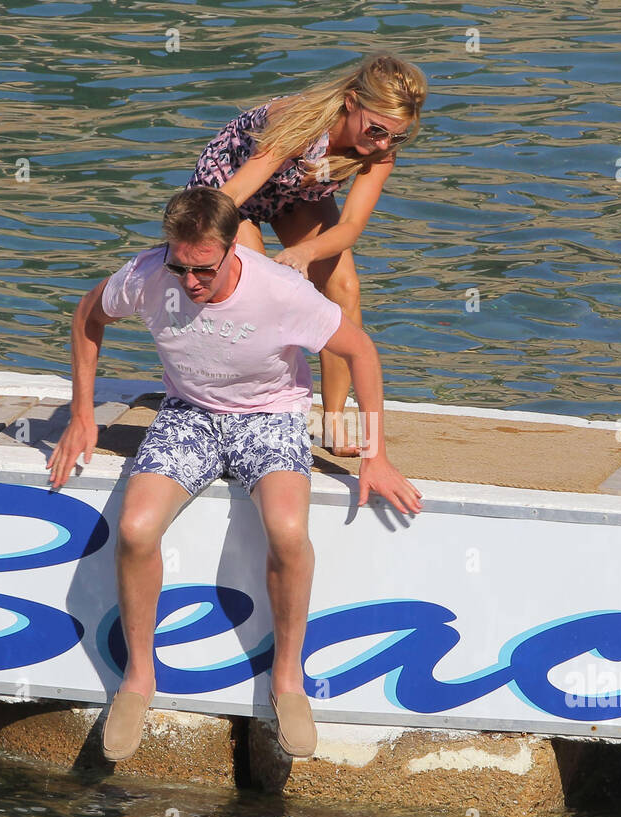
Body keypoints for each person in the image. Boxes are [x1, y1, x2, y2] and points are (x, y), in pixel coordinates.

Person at [47, 187, 422, 761]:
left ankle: (288, 682)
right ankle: (139, 680)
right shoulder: (148, 275)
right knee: (134, 529)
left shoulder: (280, 292)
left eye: (203, 269)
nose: (190, 281)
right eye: (180, 266)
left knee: (288, 531)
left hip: (270, 418)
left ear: (230, 251)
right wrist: (80, 416)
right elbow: (87, 315)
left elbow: (360, 350)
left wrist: (374, 454)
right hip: (189, 416)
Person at [186, 52, 427, 456]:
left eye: (396, 136)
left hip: (296, 193)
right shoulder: (299, 121)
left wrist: (304, 252)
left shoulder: (380, 149)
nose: (383, 144)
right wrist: (193, 238)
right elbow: (237, 193)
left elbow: (350, 228)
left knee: (344, 290)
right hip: (231, 185)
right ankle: (241, 411)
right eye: (376, 130)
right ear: (352, 102)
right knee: (252, 286)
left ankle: (333, 424)